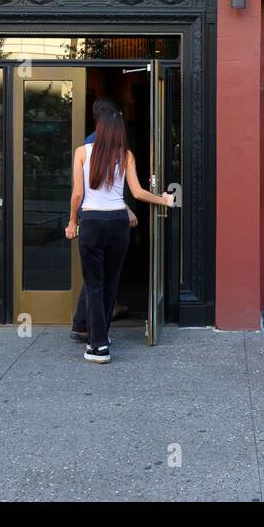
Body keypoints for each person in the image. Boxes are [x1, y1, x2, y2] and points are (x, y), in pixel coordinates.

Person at [65, 99, 174, 364]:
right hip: (117, 223)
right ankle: (101, 337)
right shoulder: (126, 155)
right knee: (111, 283)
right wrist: (165, 200)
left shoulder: (82, 152)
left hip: (91, 221)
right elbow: (137, 193)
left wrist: (71, 223)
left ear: (99, 127)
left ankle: (98, 345)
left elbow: (78, 193)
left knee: (94, 284)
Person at [71, 99, 136, 342]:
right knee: (99, 280)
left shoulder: (92, 146)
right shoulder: (95, 145)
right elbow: (96, 185)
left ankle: (89, 332)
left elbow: (97, 188)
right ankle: (88, 328)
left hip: (94, 217)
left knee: (96, 278)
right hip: (101, 216)